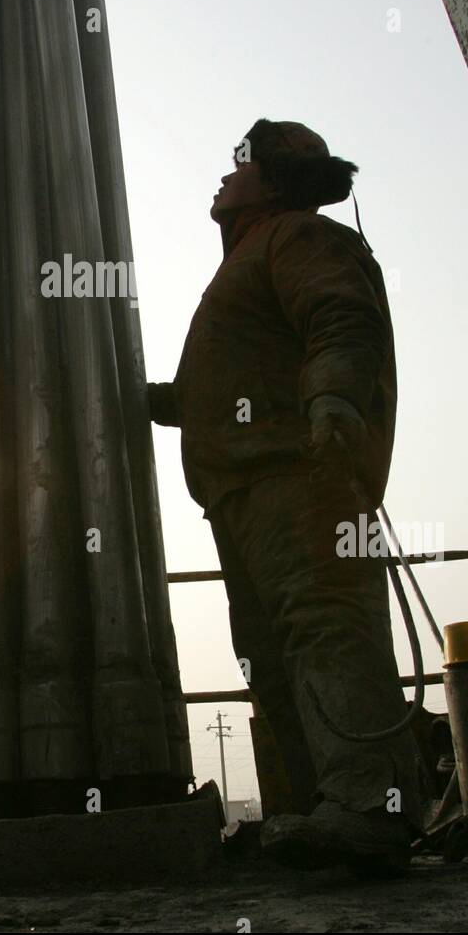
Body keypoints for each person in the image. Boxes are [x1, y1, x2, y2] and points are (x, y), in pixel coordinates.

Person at [149, 118, 422, 874]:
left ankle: (372, 807)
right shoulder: (249, 260)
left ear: (272, 179)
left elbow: (342, 318)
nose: (224, 174)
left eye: (239, 164)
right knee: (270, 655)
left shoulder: (297, 238)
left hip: (299, 476)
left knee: (325, 627)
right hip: (243, 489)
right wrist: (162, 400)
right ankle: (319, 814)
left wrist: (333, 398)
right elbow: (236, 379)